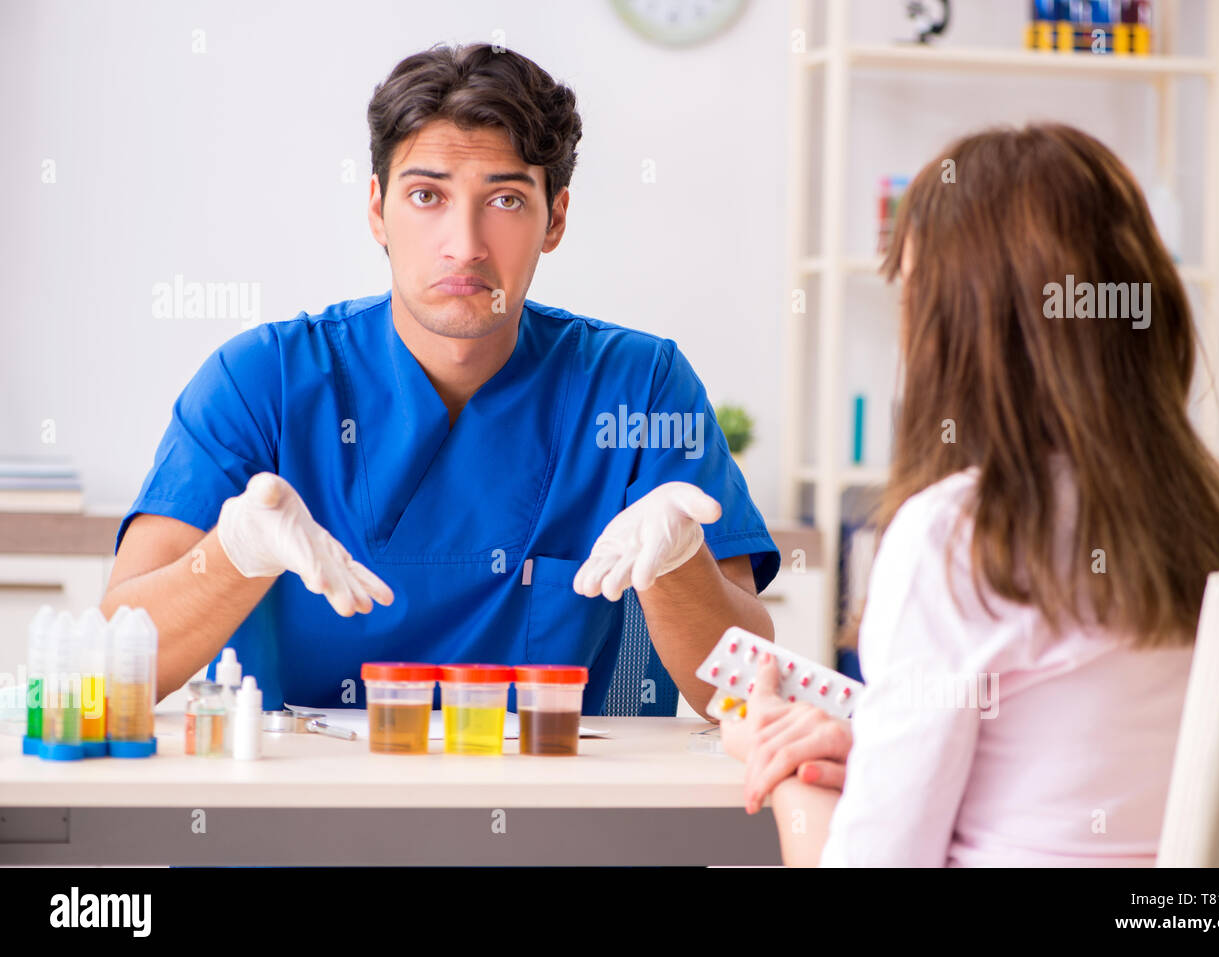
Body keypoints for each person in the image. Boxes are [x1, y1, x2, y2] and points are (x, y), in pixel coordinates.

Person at [102, 44, 778, 714]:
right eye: (427, 195)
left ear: (557, 219)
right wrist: (230, 556)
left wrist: (681, 564)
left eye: (506, 200)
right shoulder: (260, 382)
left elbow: (747, 693)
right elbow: (110, 666)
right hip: (301, 810)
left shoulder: (640, 388)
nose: (465, 244)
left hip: (561, 808)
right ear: (377, 210)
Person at [722, 123, 1219, 866]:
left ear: (962, 327)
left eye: (914, 295)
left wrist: (779, 762)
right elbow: (1068, 781)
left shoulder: (955, 537)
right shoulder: (1211, 525)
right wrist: (876, 746)